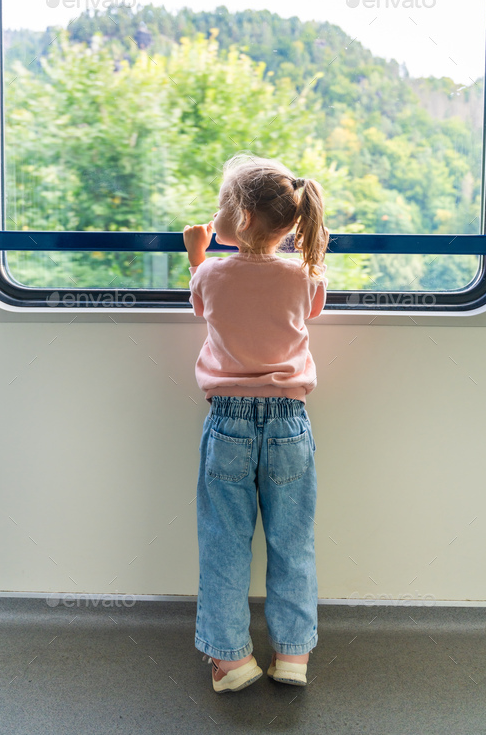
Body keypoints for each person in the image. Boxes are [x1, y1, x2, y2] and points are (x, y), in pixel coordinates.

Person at [183, 153, 329, 694]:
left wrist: (198, 251)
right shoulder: (304, 274)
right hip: (291, 422)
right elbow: (310, 309)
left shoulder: (212, 271)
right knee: (293, 541)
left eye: (222, 205)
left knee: (225, 541)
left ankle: (231, 661)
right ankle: (293, 655)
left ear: (239, 218)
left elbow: (202, 300)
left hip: (229, 425)